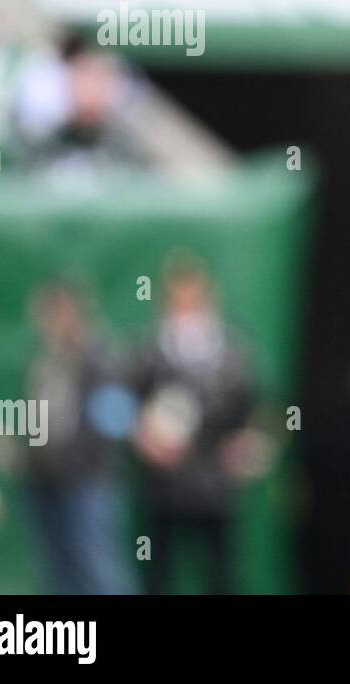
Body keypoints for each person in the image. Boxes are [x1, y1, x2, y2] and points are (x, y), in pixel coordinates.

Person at [133, 253, 259, 594]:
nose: (186, 307)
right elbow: (118, 404)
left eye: (193, 297)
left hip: (215, 486)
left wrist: (247, 444)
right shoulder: (150, 351)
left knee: (220, 572)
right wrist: (142, 436)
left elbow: (254, 413)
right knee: (159, 570)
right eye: (177, 298)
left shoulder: (232, 354)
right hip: (164, 485)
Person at [24, 280, 136, 594]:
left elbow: (112, 421)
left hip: (87, 482)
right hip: (45, 481)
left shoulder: (100, 360)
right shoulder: (44, 361)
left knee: (98, 567)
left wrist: (74, 463)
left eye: (58, 314)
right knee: (60, 570)